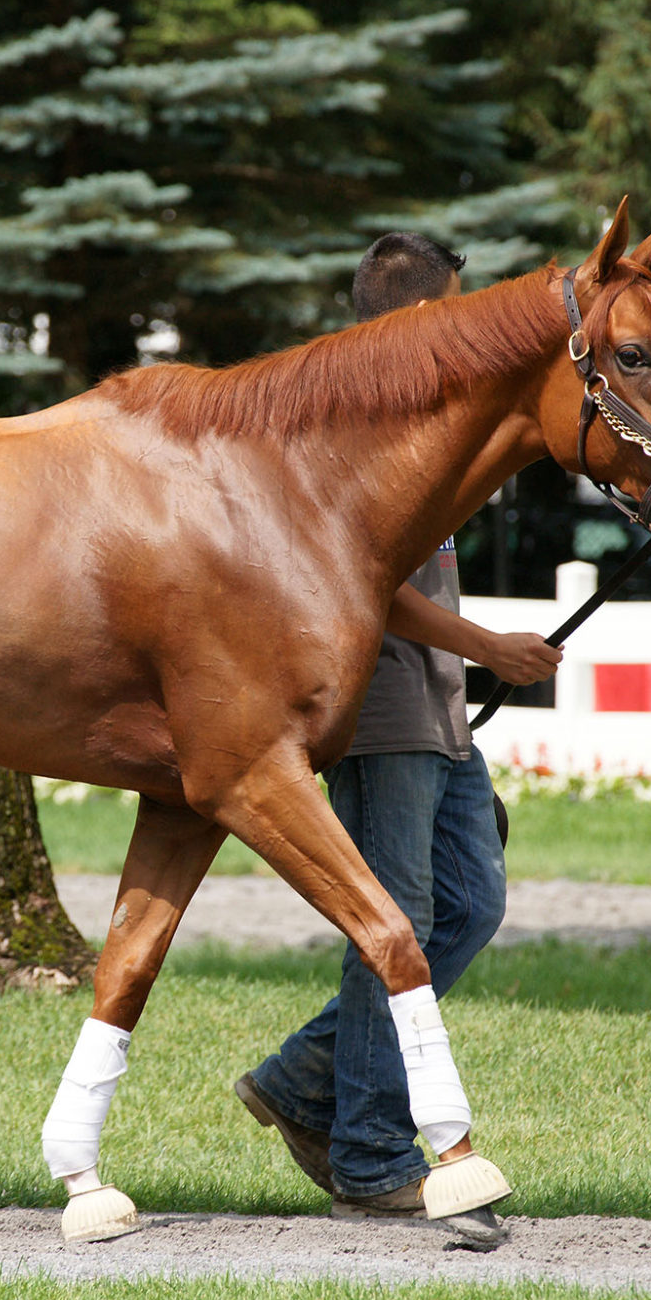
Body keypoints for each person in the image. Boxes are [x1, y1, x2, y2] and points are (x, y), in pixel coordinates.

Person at [235, 233, 562, 1248]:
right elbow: (362, 585)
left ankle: (301, 1079)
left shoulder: (423, 408)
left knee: (471, 900)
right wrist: (484, 646)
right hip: (378, 704)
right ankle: (372, 1152)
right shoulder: (344, 416)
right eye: (455, 308)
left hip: (435, 705)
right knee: (399, 915)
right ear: (419, 315)